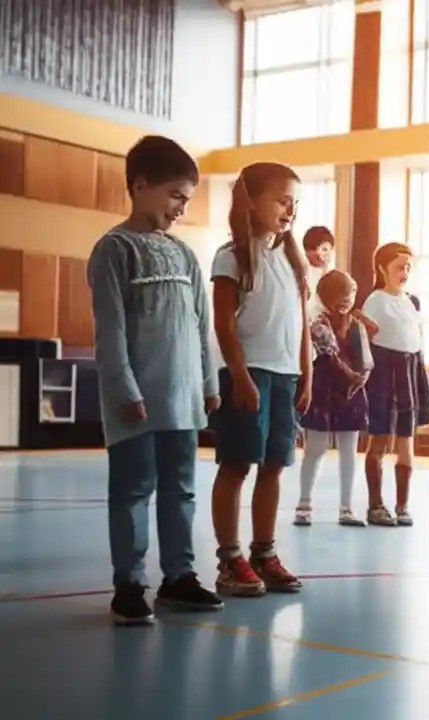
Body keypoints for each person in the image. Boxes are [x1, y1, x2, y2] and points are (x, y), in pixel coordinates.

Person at [88, 135, 223, 625]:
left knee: (181, 488)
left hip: (183, 401)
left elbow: (200, 326)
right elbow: (110, 330)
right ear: (139, 185)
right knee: (131, 490)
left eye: (186, 200)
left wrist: (209, 385)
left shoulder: (185, 256)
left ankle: (179, 577)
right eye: (175, 197)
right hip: (137, 403)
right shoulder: (114, 250)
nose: (180, 209)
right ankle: (129, 583)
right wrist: (125, 390)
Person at [209, 162, 311, 597]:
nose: (290, 210)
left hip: (285, 376)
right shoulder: (231, 256)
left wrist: (306, 373)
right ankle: (230, 558)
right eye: (282, 199)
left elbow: (303, 323)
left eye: (295, 203)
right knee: (236, 465)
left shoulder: (291, 260)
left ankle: (263, 553)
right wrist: (239, 377)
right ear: (251, 201)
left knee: (274, 466)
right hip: (248, 375)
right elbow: (223, 324)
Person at [294, 270, 373, 528]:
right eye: (340, 295)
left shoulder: (358, 325)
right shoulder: (317, 323)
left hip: (351, 393)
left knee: (349, 450)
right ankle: (304, 504)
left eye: (349, 295)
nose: (346, 300)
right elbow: (329, 356)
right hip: (324, 390)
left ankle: (347, 508)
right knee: (315, 448)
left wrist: (362, 378)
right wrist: (352, 376)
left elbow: (366, 359)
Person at [361, 242, 429, 527]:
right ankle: (375, 505)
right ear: (382, 268)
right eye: (399, 267)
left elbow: (417, 337)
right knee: (379, 439)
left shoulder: (411, 302)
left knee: (407, 440)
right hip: (383, 370)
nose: (404, 273)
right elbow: (365, 339)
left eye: (408, 267)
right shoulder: (375, 300)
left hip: (410, 369)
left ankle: (403, 505)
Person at [301, 226, 335, 319]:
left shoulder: (333, 275)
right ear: (306, 251)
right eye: (314, 249)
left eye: (325, 249)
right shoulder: (302, 271)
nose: (319, 254)